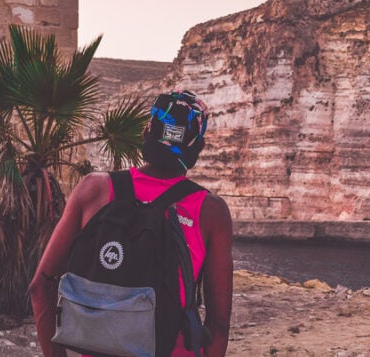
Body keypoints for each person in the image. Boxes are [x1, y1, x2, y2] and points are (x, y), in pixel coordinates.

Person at [29, 90, 233, 357]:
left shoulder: (93, 189)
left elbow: (40, 286)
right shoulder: (210, 211)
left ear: (146, 132)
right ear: (199, 147)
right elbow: (218, 324)